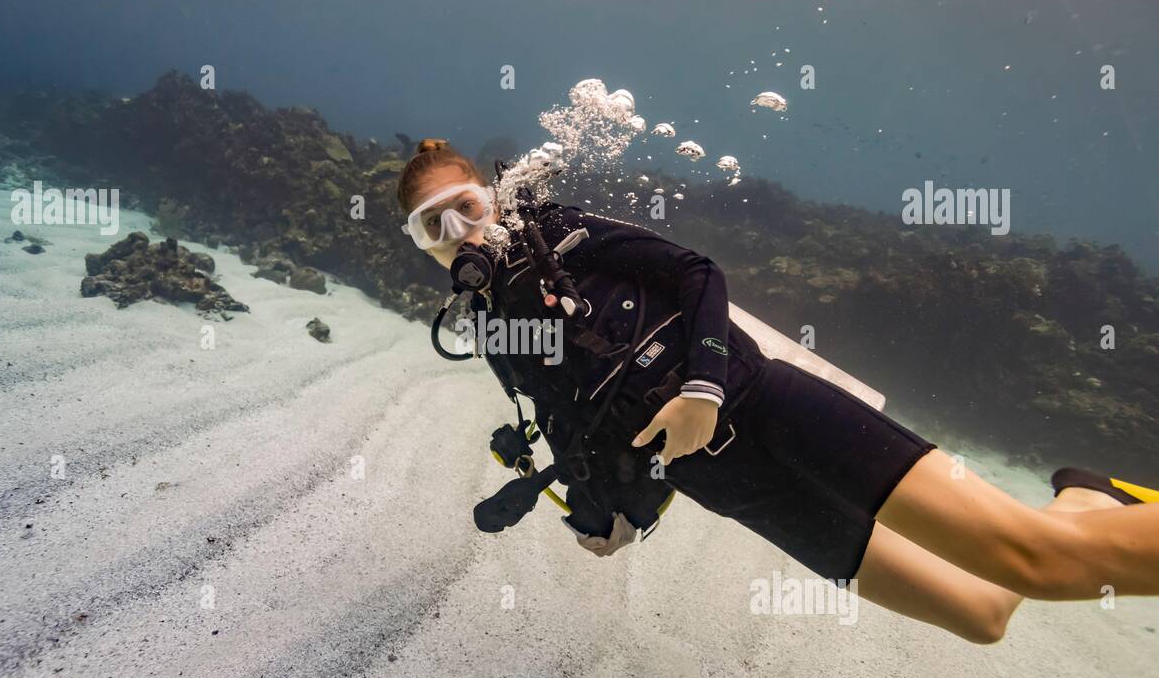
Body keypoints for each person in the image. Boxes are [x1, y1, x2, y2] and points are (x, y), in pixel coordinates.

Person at [397, 139, 1159, 644]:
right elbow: (575, 428)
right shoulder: (495, 330)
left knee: (1040, 563)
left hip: (772, 406)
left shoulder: (559, 229)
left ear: (493, 196)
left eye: (468, 205)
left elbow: (697, 272)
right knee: (983, 613)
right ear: (422, 250)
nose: (460, 233)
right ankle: (1088, 496)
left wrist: (702, 387)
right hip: (736, 488)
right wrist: (618, 516)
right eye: (434, 227)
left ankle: (1080, 519)